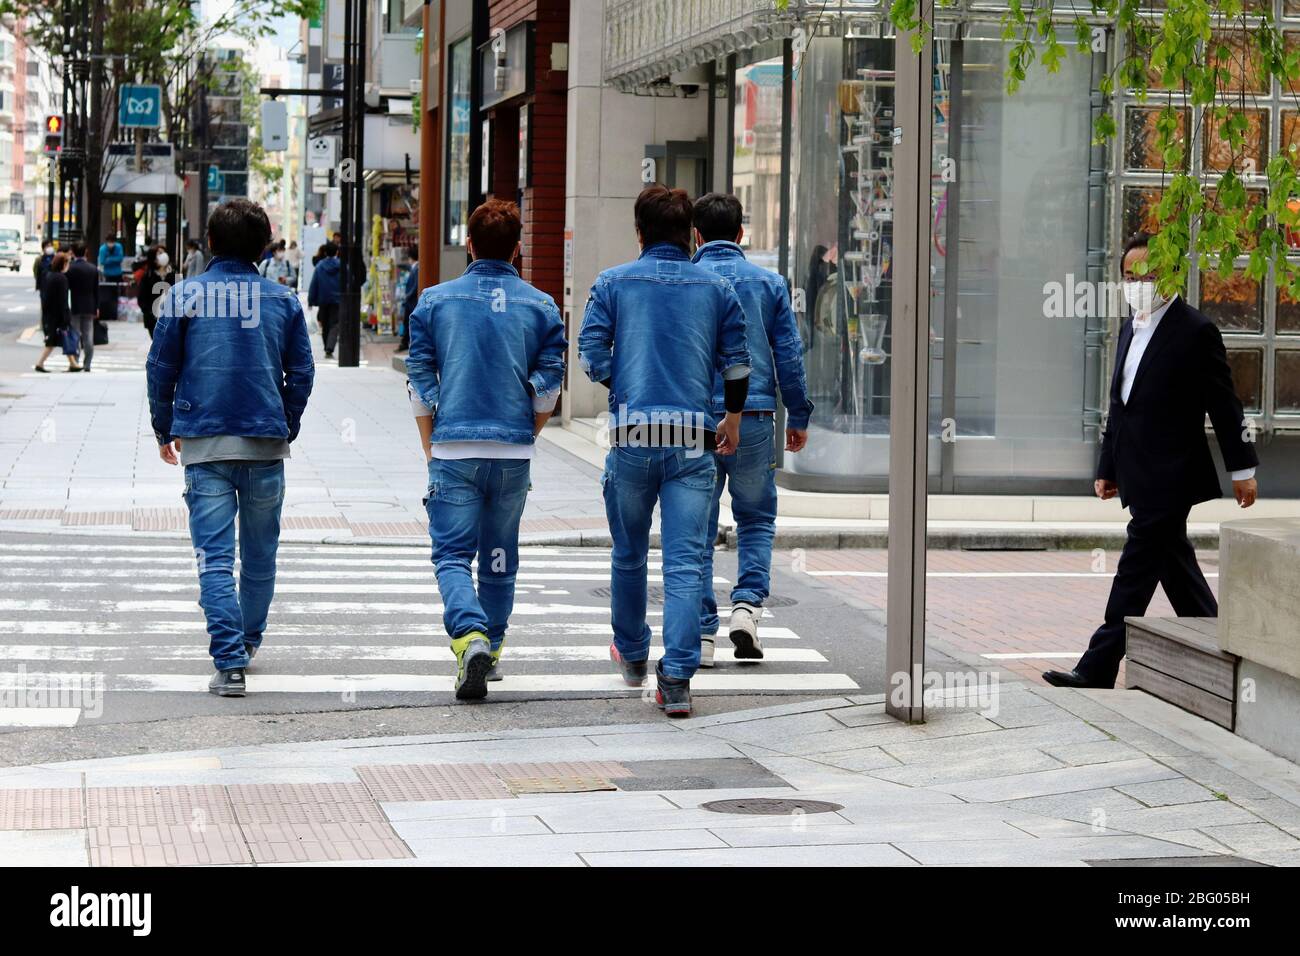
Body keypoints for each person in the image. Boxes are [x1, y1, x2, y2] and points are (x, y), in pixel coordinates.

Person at [1044, 233, 1260, 690]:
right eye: (1128, 275)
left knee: (1136, 569)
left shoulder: (1196, 330)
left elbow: (1225, 406)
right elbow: (1119, 406)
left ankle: (1097, 667)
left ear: (1169, 274)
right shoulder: (1130, 326)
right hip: (1138, 473)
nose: (1136, 283)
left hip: (1173, 476)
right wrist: (1107, 469)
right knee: (1175, 568)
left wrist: (1243, 472)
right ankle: (1224, 656)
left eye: (1145, 274)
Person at [578, 185, 750, 717]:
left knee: (628, 553)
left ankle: (631, 653)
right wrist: (733, 418)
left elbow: (588, 353)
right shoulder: (717, 288)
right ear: (692, 235)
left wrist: (625, 386)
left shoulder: (612, 283)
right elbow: (738, 364)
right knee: (683, 562)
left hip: (633, 436)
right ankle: (676, 679)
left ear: (638, 232)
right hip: (694, 440)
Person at [145, 198, 315, 697]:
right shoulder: (282, 301)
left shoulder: (184, 296)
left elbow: (161, 369)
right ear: (264, 247)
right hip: (264, 444)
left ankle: (230, 661)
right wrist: (285, 422)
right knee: (260, 556)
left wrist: (164, 428)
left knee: (214, 558)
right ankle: (249, 639)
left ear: (211, 243)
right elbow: (302, 372)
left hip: (205, 443)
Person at [406, 200, 565, 700]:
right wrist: (527, 432)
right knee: (499, 556)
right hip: (513, 453)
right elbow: (549, 387)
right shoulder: (540, 305)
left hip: (454, 448)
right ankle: (490, 650)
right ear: (518, 249)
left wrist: (432, 447)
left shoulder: (434, 301)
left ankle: (469, 635)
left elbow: (419, 380)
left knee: (452, 554)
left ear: (469, 245)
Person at [691, 193, 815, 667]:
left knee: (696, 527)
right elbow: (789, 354)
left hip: (699, 420)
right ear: (741, 234)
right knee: (756, 519)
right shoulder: (769, 284)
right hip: (758, 415)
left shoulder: (689, 280)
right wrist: (798, 415)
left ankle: (701, 634)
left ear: (696, 235)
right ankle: (746, 607)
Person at [35, 252, 81, 373]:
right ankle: (40, 363)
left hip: (51, 315)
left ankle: (73, 363)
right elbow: (63, 300)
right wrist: (66, 316)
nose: (68, 266)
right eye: (67, 263)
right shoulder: (61, 279)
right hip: (58, 316)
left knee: (61, 339)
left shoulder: (51, 276)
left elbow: (48, 299)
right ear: (63, 264)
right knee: (54, 341)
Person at [66, 243, 100, 372]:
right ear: (86, 251)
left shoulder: (71, 268)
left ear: (73, 253)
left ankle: (75, 361)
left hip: (74, 305)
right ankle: (87, 364)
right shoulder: (92, 268)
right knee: (88, 335)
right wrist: (97, 307)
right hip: (90, 306)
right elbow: (96, 290)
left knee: (75, 334)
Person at [307, 241, 342, 358]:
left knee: (325, 323)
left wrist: (311, 300)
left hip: (323, 299)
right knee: (335, 324)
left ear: (325, 252)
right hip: (337, 300)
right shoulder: (341, 265)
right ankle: (330, 347)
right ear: (337, 252)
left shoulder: (320, 266)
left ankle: (326, 346)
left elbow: (314, 283)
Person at [136, 245, 175, 339]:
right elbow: (142, 297)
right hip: (153, 317)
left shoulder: (173, 273)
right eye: (159, 253)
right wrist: (148, 312)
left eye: (163, 252)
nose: (163, 255)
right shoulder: (148, 276)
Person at [396, 247, 418, 353]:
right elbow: (405, 266)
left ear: (410, 257)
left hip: (412, 301)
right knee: (406, 322)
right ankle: (404, 342)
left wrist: (407, 295)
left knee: (409, 322)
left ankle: (406, 343)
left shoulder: (417, 268)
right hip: (410, 301)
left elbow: (415, 286)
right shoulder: (414, 267)